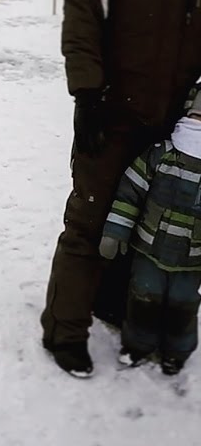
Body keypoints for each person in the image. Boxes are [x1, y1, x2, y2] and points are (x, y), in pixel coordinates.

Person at [40, 0, 201, 378]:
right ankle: (64, 330)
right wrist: (87, 95)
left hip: (175, 124)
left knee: (145, 225)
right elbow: (81, 19)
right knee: (88, 224)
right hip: (112, 115)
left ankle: (114, 304)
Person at [99, 85, 201, 375]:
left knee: (183, 306)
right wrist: (115, 231)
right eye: (195, 117)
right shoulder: (158, 155)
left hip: (191, 261)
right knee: (143, 298)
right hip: (148, 249)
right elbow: (130, 192)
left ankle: (176, 353)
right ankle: (137, 346)